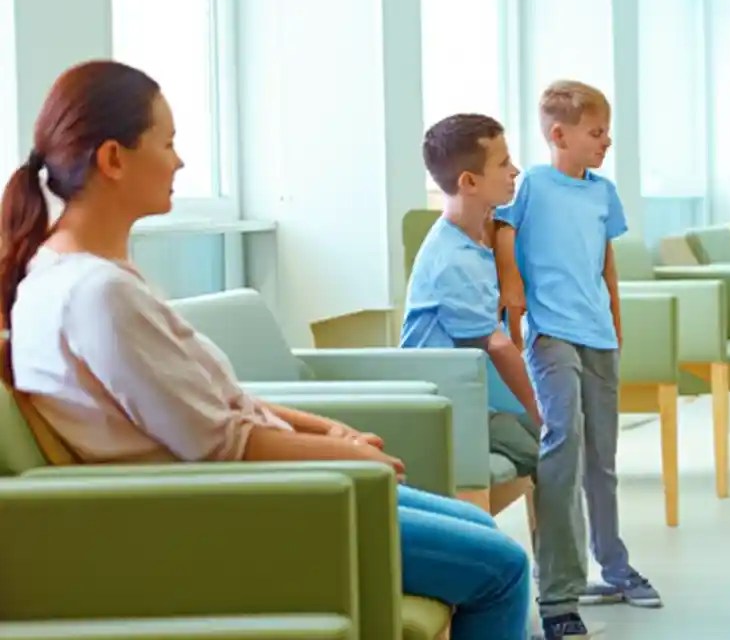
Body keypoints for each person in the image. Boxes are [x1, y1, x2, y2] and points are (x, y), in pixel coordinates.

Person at [0, 60, 532, 640]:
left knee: (474, 529)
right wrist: (347, 459)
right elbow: (218, 445)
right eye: (168, 143)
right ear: (112, 159)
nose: (179, 161)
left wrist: (326, 430)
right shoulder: (95, 295)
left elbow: (219, 403)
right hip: (235, 513)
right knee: (503, 568)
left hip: (247, 495)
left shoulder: (81, 276)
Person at [494, 80, 661, 640]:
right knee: (560, 448)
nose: (606, 141)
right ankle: (558, 591)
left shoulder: (603, 193)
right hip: (550, 335)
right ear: (559, 135)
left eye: (607, 131)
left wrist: (616, 317)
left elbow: (605, 261)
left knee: (602, 459)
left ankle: (613, 567)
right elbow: (501, 230)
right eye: (596, 132)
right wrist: (513, 286)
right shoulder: (533, 186)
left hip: (598, 335)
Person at [400, 113, 542, 486]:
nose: (515, 171)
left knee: (563, 436)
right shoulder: (452, 258)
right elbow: (497, 345)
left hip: (478, 399)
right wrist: (542, 411)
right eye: (503, 163)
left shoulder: (475, 237)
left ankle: (560, 547)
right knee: (556, 448)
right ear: (469, 182)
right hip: (448, 408)